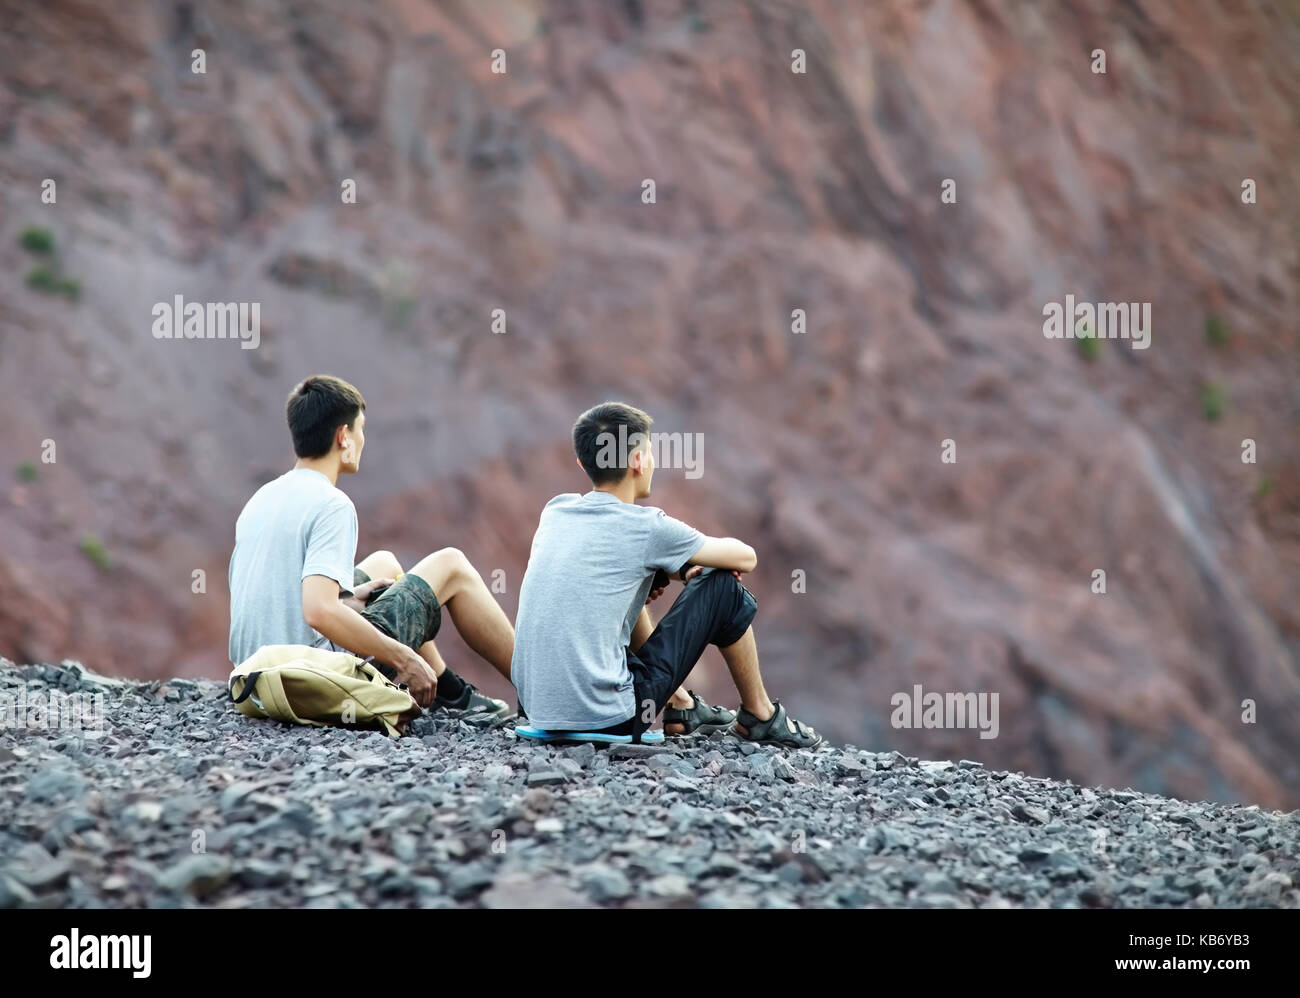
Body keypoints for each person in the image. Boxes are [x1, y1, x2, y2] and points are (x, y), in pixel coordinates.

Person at [510, 401, 822, 747]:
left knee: (635, 582)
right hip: (612, 719)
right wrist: (683, 566)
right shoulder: (646, 528)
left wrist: (665, 570)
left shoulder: (556, 510)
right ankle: (760, 716)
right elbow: (745, 557)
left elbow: (609, 565)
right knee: (720, 583)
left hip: (535, 711)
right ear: (639, 462)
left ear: (583, 463)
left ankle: (683, 707)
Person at [228, 375, 514, 725]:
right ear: (343, 436)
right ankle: (542, 691)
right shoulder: (331, 504)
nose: (363, 439)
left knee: (384, 564)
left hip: (252, 683)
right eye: (360, 429)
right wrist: (404, 659)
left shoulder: (261, 499)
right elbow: (318, 610)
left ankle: (447, 692)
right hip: (311, 681)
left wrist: (347, 600)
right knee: (451, 565)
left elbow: (274, 597)